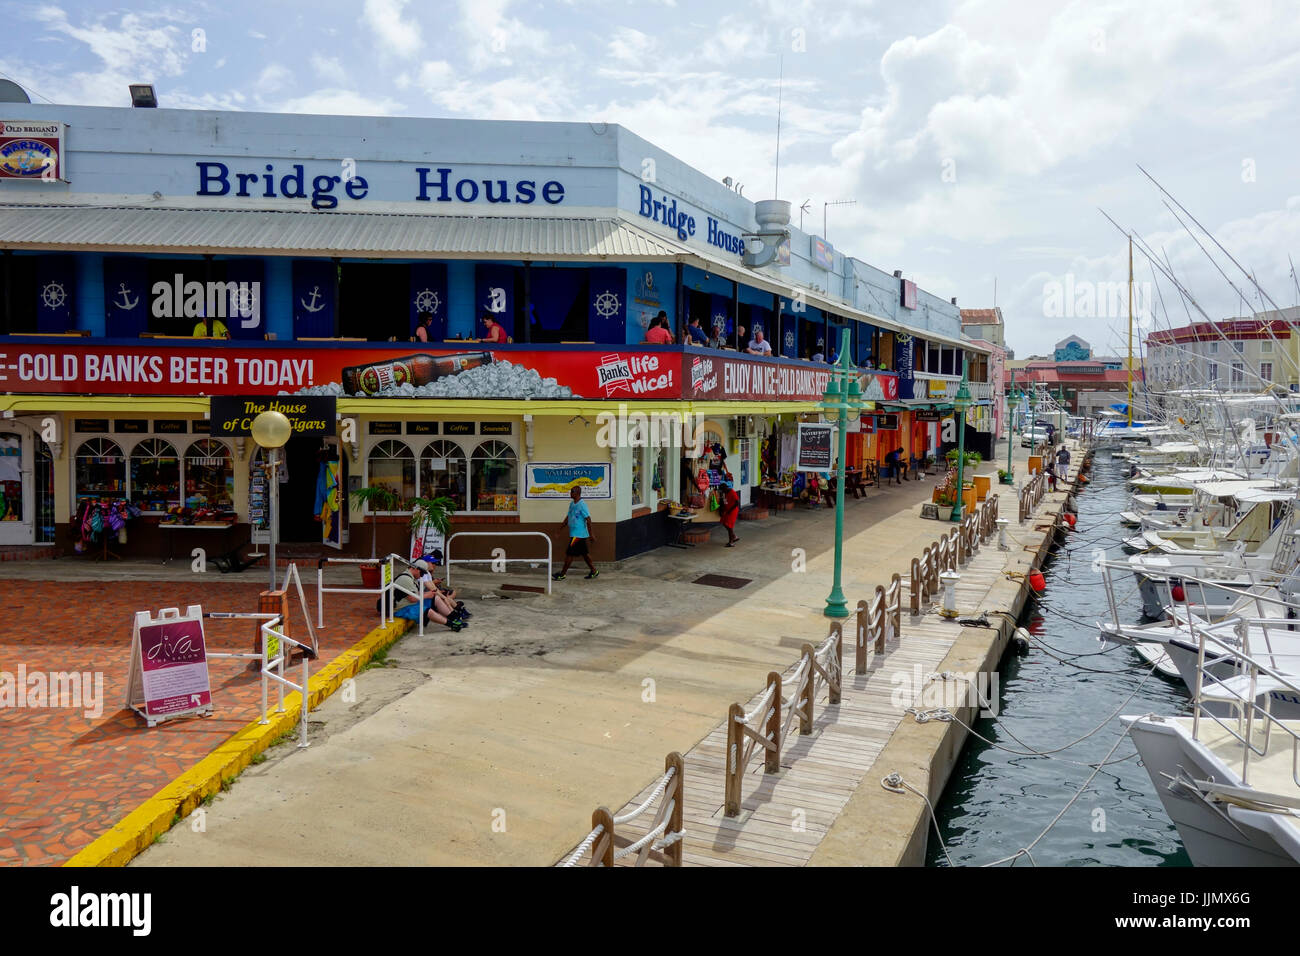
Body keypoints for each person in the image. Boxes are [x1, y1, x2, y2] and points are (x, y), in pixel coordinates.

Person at [391, 560, 467, 631]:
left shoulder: (410, 577)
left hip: (408, 604)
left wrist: (430, 594)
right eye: (422, 573)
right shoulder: (405, 578)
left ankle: (454, 618)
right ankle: (452, 624)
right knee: (427, 611)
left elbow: (414, 595)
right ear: (416, 569)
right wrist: (427, 595)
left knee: (435, 598)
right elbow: (412, 598)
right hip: (400, 608)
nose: (422, 575)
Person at [554, 486, 598, 580]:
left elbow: (588, 519)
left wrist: (591, 534)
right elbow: (568, 517)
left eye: (572, 491)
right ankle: (594, 571)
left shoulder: (582, 504)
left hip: (579, 535)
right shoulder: (572, 504)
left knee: (570, 553)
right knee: (584, 553)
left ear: (578, 493)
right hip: (575, 533)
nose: (570, 493)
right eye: (571, 491)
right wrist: (559, 530)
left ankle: (562, 574)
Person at [718, 480, 741, 546]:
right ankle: (734, 536)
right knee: (724, 522)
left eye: (723, 490)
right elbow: (724, 502)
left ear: (725, 488)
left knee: (729, 526)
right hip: (727, 510)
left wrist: (730, 511)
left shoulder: (732, 492)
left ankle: (731, 542)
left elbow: (737, 503)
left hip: (733, 511)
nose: (722, 492)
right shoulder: (725, 493)